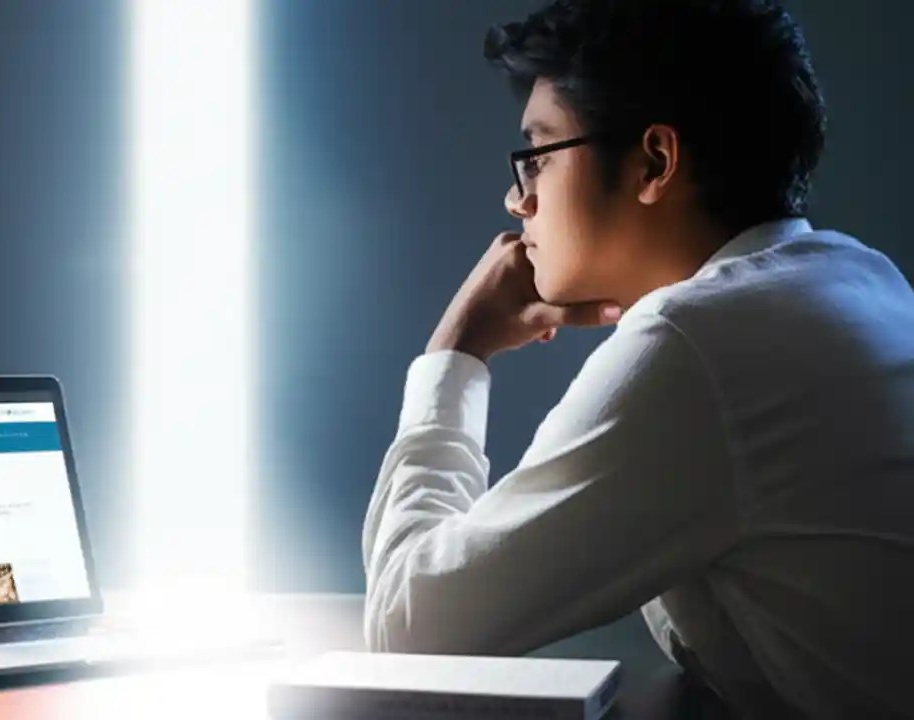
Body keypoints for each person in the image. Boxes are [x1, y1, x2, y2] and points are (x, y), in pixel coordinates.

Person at [360, 1, 914, 716]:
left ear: (654, 161)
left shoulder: (696, 342)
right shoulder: (862, 279)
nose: (516, 198)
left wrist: (456, 351)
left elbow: (409, 630)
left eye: (539, 155)